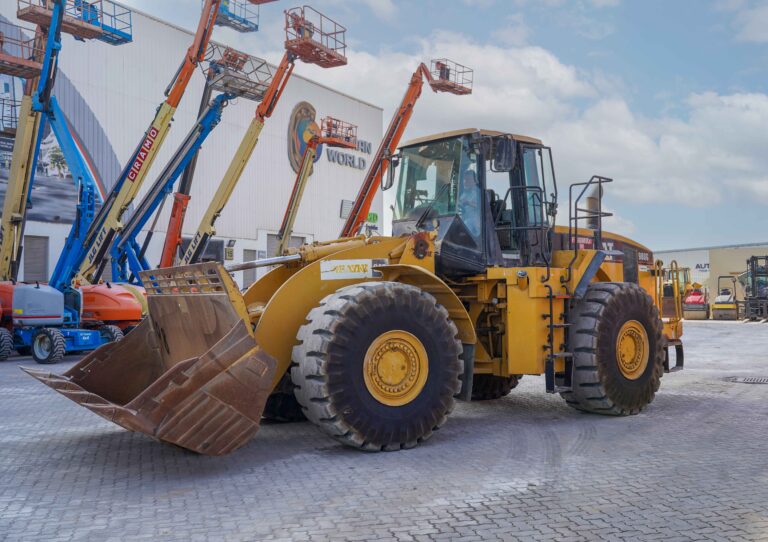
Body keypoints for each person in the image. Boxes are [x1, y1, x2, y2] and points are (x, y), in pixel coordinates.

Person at [458, 170, 482, 237]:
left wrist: (468, 203)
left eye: (468, 179)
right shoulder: (464, 194)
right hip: (465, 218)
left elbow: (482, 206)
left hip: (477, 221)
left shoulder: (479, 192)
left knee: (467, 224)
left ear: (474, 180)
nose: (465, 182)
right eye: (465, 179)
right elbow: (460, 204)